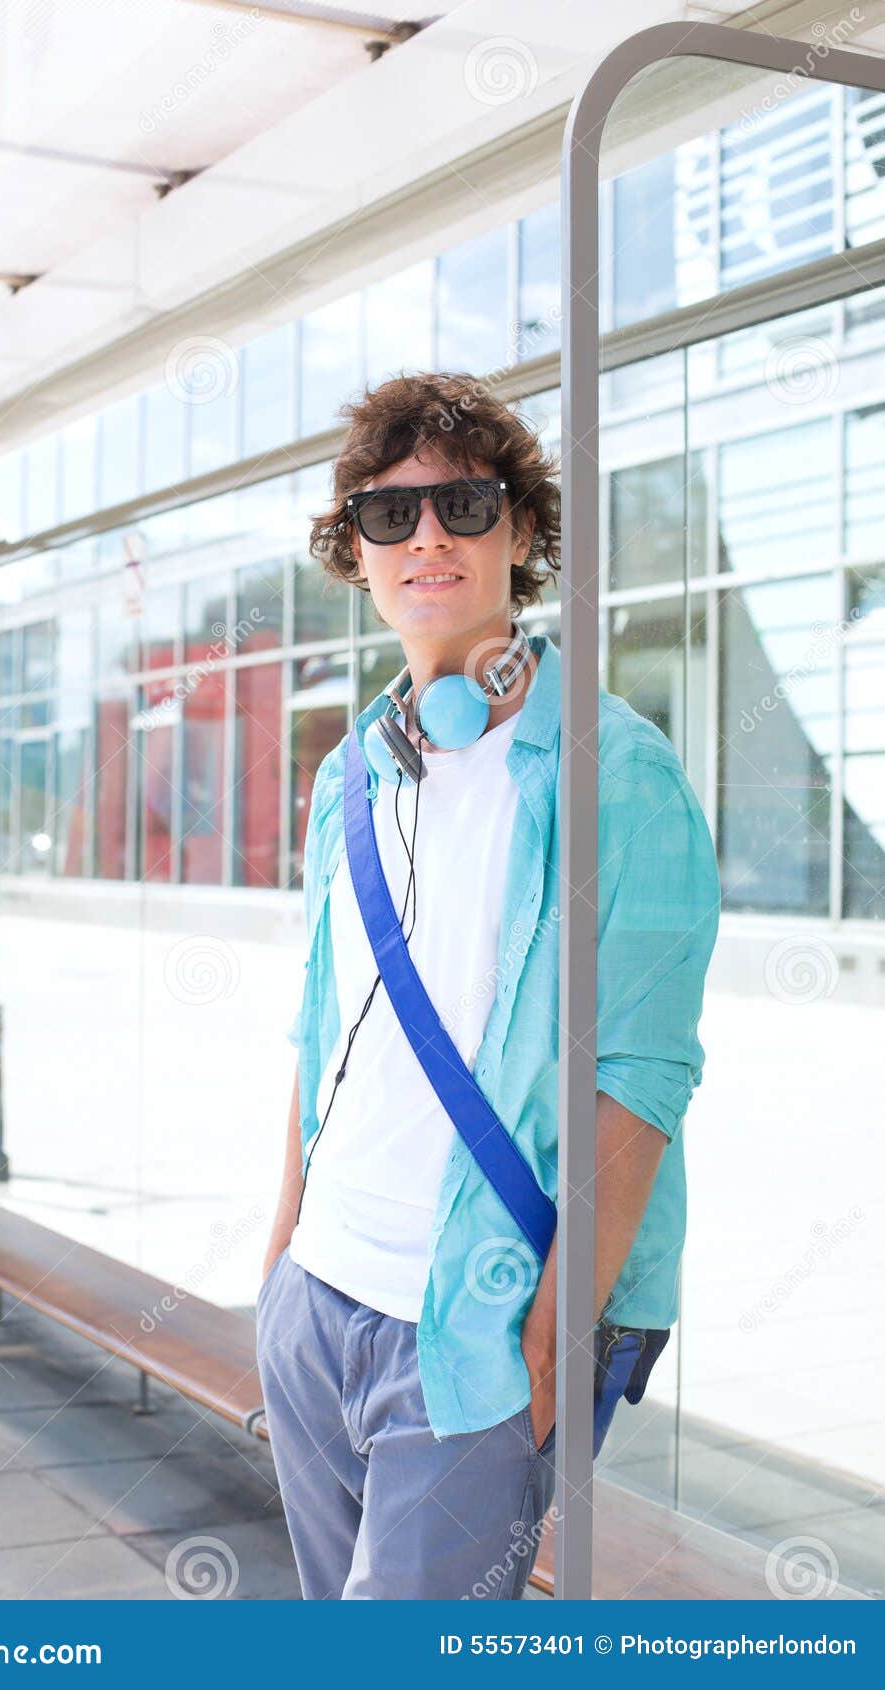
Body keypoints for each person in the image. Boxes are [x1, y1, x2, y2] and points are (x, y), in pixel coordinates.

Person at [255, 371, 720, 1601]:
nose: (427, 540)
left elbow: (639, 1079)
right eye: (388, 515)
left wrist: (551, 1348)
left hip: (475, 1328)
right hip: (316, 1304)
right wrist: (276, 1273)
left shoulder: (615, 773)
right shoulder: (348, 775)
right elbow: (319, 1030)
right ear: (352, 550)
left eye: (464, 505)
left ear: (519, 532)